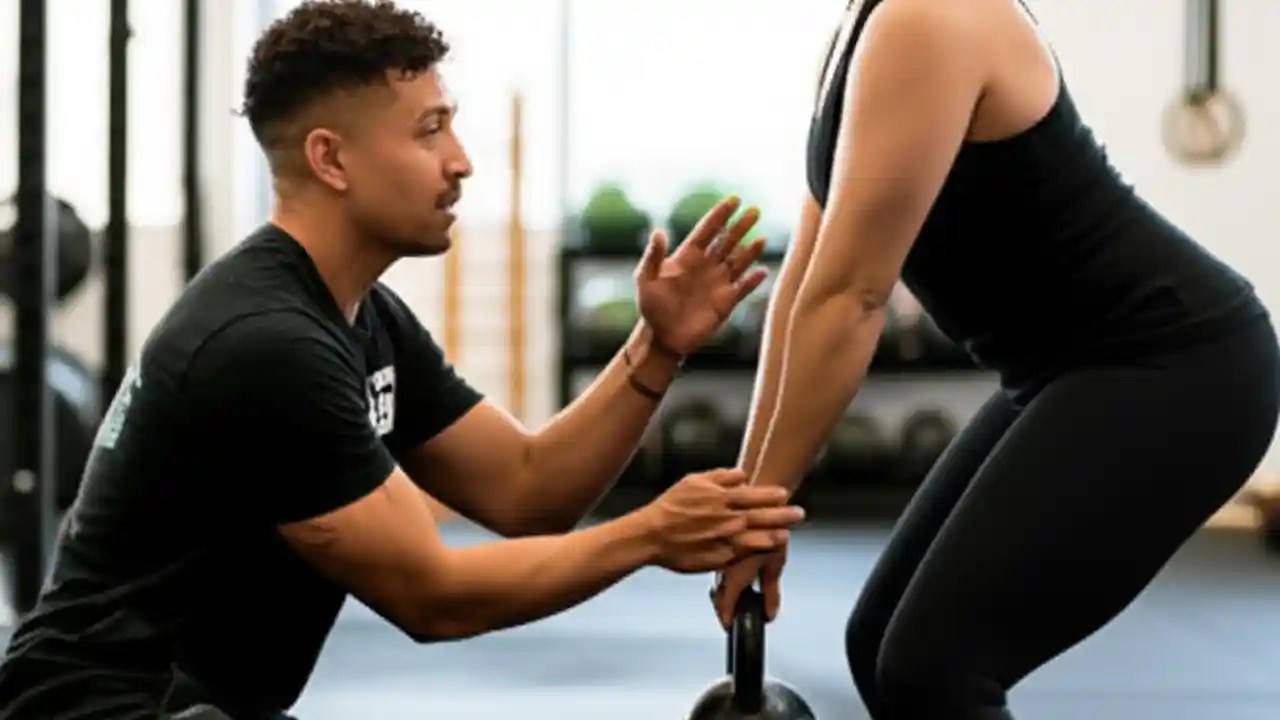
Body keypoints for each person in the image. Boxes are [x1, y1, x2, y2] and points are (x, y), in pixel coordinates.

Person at [0, 2, 805, 718]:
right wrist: (651, 534)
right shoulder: (267, 344)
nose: (461, 160)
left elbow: (527, 490)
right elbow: (433, 597)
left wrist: (657, 346)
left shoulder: (360, 316)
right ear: (331, 159)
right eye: (429, 130)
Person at [711, 0, 1279, 718]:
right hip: (1060, 368)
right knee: (880, 646)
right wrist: (748, 501)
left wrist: (762, 510)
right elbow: (805, 284)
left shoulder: (931, 18)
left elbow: (851, 299)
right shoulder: (860, 26)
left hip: (1179, 366)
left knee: (936, 666)